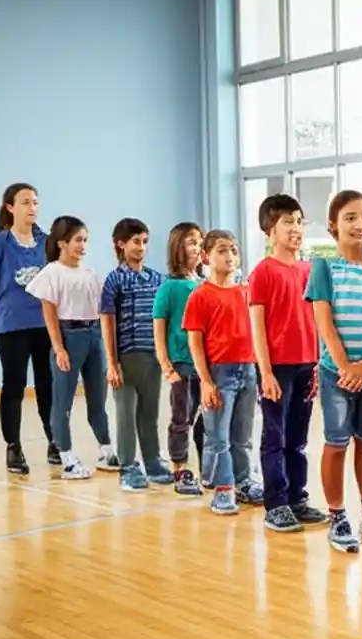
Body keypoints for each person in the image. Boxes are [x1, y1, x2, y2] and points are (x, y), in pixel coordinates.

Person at [305, 190, 362, 552]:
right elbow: (325, 326)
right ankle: (337, 514)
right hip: (336, 374)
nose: (359, 224)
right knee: (337, 441)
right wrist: (346, 368)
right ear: (333, 226)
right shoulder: (323, 268)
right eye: (350, 218)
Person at [249, 193, 328, 532]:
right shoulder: (262, 272)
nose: (296, 229)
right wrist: (265, 372)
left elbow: (320, 321)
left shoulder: (311, 270)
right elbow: (257, 327)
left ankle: (297, 497)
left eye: (299, 222)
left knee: (298, 438)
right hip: (276, 368)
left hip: (307, 365)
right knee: (275, 436)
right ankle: (276, 503)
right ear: (270, 231)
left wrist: (319, 363)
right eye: (288, 223)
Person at [24, 216, 119, 480]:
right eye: (78, 240)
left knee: (98, 399)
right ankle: (66, 456)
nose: (83, 245)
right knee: (62, 400)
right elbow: (50, 315)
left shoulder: (91, 275)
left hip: (94, 336)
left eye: (85, 240)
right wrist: (59, 349)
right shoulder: (51, 273)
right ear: (62, 243)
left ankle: (106, 450)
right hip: (69, 336)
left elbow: (105, 311)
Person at [0, 182, 58, 474]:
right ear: (10, 207)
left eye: (35, 202)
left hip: (44, 325)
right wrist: (3, 320)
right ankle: (13, 447)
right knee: (14, 385)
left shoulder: (46, 243)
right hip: (13, 327)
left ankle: (55, 442)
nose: (32, 208)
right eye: (25, 202)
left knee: (48, 385)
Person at [183, 230, 260, 516]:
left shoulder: (246, 292)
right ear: (206, 256)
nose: (230, 256)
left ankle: (243, 481)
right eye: (222, 250)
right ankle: (223, 487)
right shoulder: (201, 295)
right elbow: (195, 341)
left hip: (248, 370)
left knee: (242, 435)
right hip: (219, 373)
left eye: (234, 250)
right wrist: (205, 381)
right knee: (218, 436)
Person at [101, 218, 173, 491]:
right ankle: (128, 467)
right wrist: (112, 362)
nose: (141, 247)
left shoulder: (157, 279)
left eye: (144, 241)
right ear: (121, 244)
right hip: (126, 358)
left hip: (152, 357)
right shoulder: (115, 280)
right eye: (135, 241)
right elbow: (107, 322)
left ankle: (153, 461)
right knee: (125, 413)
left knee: (149, 412)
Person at [153, 222, 208, 496]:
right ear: (178, 248)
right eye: (191, 242)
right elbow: (159, 330)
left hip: (206, 365)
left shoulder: (204, 285)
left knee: (206, 418)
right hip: (182, 364)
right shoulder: (170, 288)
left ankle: (208, 466)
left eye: (200, 242)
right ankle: (180, 466)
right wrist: (166, 365)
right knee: (182, 417)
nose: (197, 248)